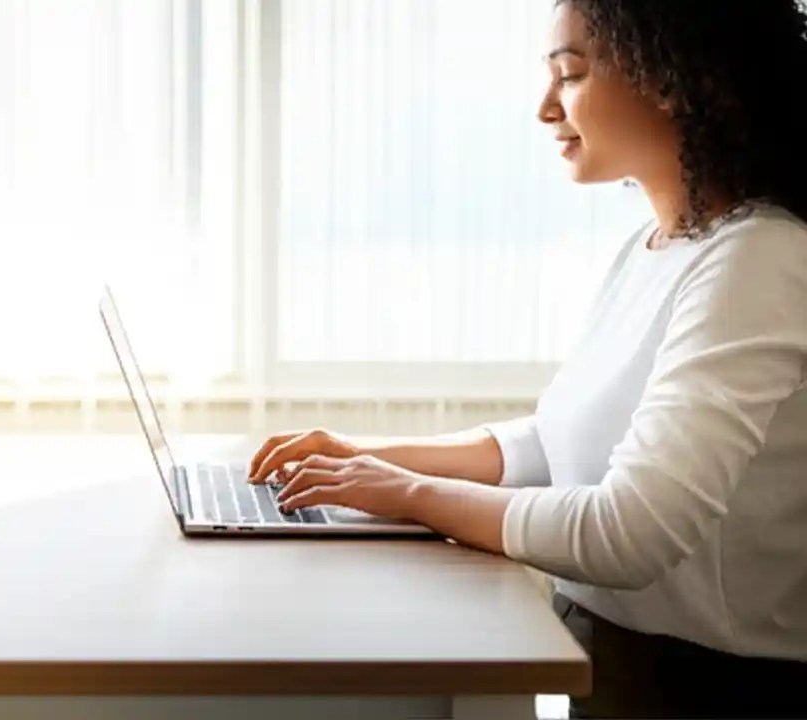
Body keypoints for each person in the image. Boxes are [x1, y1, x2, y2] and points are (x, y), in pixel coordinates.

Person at [247, 1, 807, 717]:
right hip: (620, 663)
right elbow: (553, 439)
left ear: (670, 79)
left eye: (569, 75)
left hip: (709, 687)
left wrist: (404, 493)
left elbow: (629, 535)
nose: (546, 109)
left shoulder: (758, 259)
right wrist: (363, 460)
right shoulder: (657, 250)